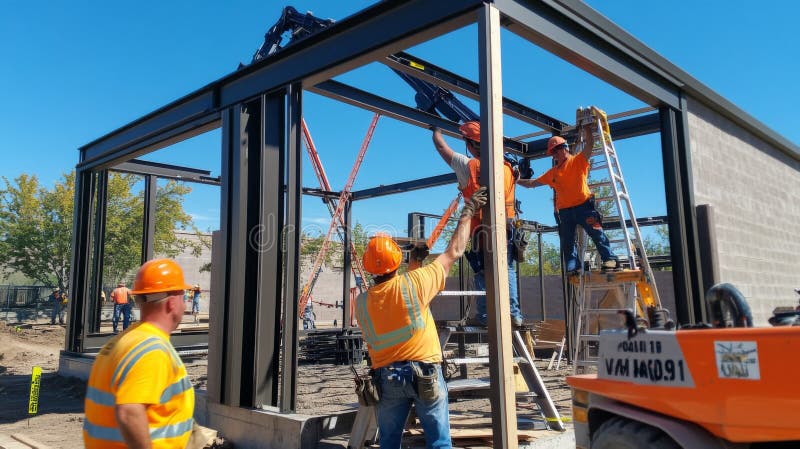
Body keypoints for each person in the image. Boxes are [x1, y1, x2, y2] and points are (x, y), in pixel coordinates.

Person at [355, 186, 487, 449]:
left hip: (386, 378)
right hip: (424, 373)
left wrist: (414, 266)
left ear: (369, 268)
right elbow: (454, 251)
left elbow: (396, 307)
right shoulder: (414, 283)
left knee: (389, 443)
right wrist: (468, 212)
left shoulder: (362, 302)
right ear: (397, 261)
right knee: (438, 443)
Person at [83, 258, 195, 449]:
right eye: (184, 298)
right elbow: (129, 412)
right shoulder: (153, 351)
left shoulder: (120, 342)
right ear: (172, 303)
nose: (185, 306)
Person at [432, 122, 523, 326]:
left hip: (481, 229)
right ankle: (513, 314)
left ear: (472, 145)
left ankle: (484, 315)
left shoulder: (468, 166)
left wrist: (436, 130)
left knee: (483, 271)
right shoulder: (508, 167)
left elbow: (441, 147)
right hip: (507, 227)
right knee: (507, 268)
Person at [517, 126, 619, 275]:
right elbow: (532, 184)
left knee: (597, 233)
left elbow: (589, 145)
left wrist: (588, 131)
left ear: (564, 148)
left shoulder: (578, 160)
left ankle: (610, 259)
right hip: (565, 212)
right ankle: (573, 265)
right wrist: (517, 180)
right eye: (552, 152)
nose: (554, 155)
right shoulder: (553, 172)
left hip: (584, 206)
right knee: (567, 241)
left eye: (556, 150)